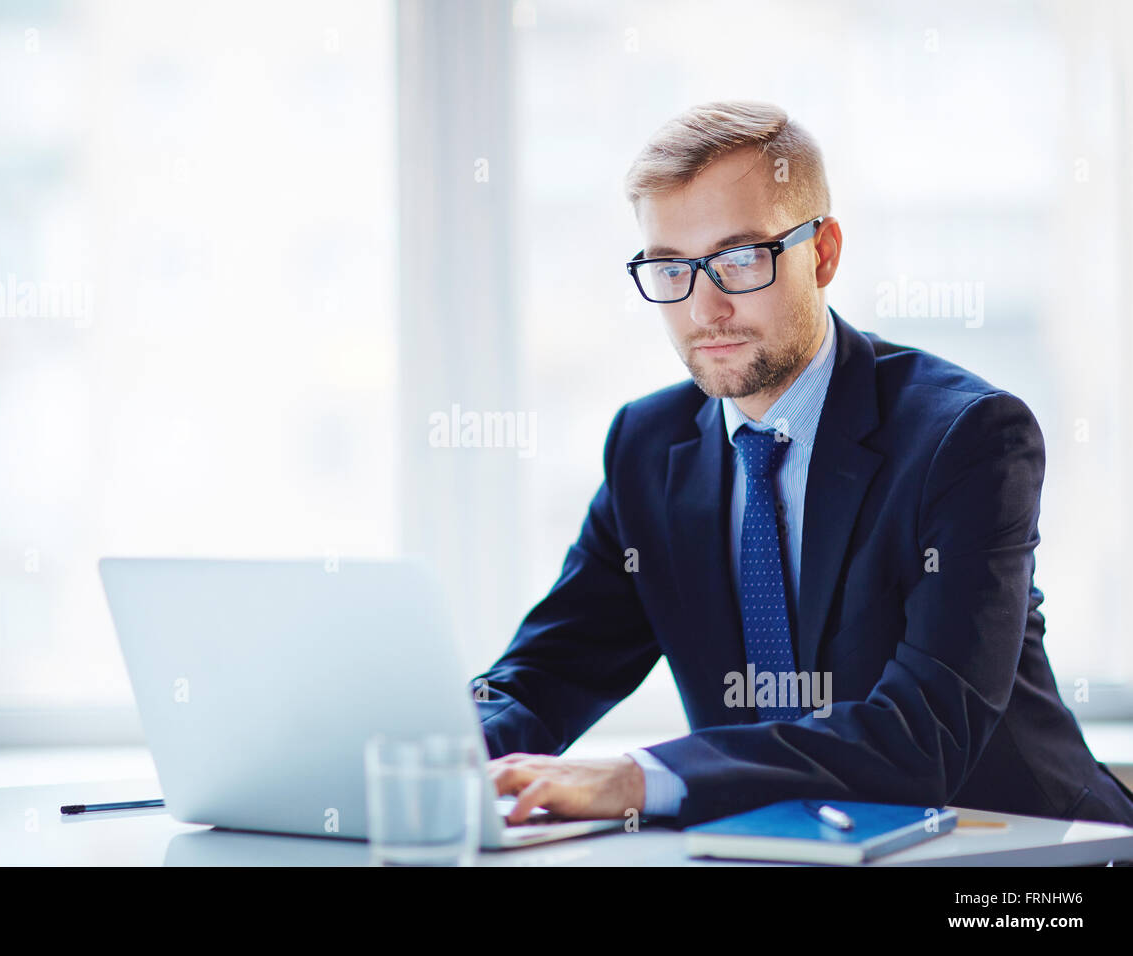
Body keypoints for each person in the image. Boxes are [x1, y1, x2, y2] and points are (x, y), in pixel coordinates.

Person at [474, 100, 1133, 829]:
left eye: (738, 259)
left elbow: (923, 736)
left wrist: (635, 779)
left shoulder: (967, 438)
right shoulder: (647, 446)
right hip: (788, 847)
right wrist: (438, 751)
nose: (705, 309)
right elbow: (550, 672)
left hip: (1025, 853)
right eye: (670, 269)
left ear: (822, 254)